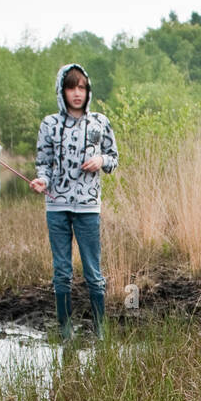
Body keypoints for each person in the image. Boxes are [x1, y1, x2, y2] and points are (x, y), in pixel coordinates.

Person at [31, 63, 118, 340]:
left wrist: (101, 160)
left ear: (88, 90)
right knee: (62, 273)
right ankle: (66, 331)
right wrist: (42, 181)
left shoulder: (100, 122)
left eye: (81, 87)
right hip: (56, 206)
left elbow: (113, 159)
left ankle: (100, 329)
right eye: (71, 87)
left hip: (88, 208)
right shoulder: (49, 124)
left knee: (93, 272)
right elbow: (43, 163)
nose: (77, 93)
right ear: (62, 91)